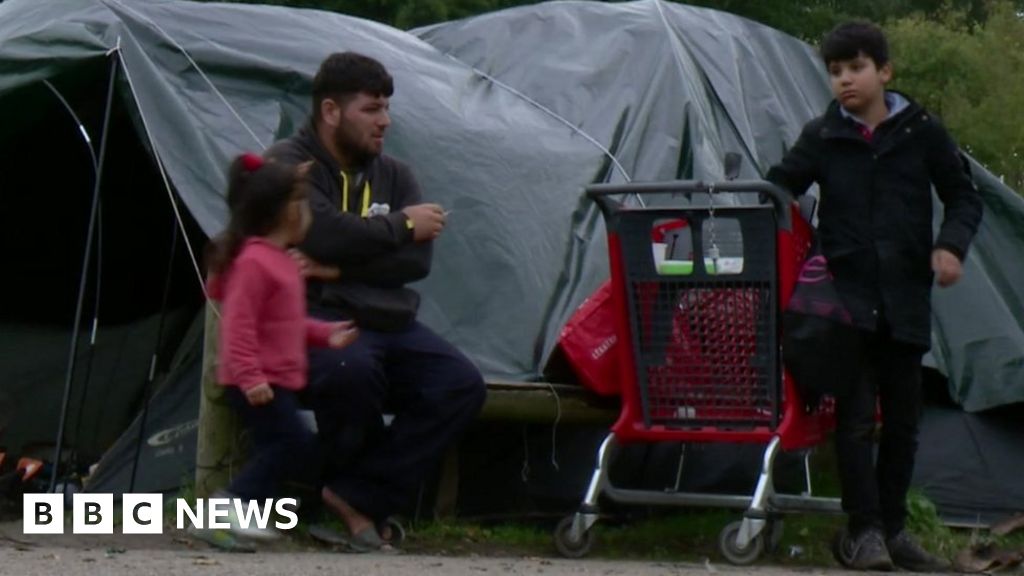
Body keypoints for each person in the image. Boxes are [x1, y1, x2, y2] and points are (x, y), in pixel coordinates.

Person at [767, 21, 982, 572]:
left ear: (884, 71)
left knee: (903, 422)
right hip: (845, 301)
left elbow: (963, 196)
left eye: (856, 67)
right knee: (857, 416)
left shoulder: (922, 132)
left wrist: (950, 246)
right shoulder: (823, 136)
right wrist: (773, 204)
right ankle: (862, 532)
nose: (845, 80)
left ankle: (894, 529)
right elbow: (780, 183)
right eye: (835, 71)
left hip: (905, 299)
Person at [266, 52, 486, 550]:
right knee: (351, 370)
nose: (384, 120)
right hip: (310, 318)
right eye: (371, 108)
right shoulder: (287, 164)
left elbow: (416, 262)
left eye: (386, 107)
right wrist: (403, 224)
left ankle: (355, 496)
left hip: (387, 319)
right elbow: (321, 231)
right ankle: (352, 505)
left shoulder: (396, 175)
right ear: (330, 111)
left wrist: (336, 267)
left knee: (459, 384)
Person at [205, 153, 359, 541]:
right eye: (302, 202)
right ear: (285, 211)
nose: (308, 213)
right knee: (291, 443)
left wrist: (324, 334)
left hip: (277, 379)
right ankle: (227, 507)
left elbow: (284, 321)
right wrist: (250, 375)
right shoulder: (255, 262)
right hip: (258, 381)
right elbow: (238, 324)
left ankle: (232, 517)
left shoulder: (280, 261)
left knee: (282, 446)